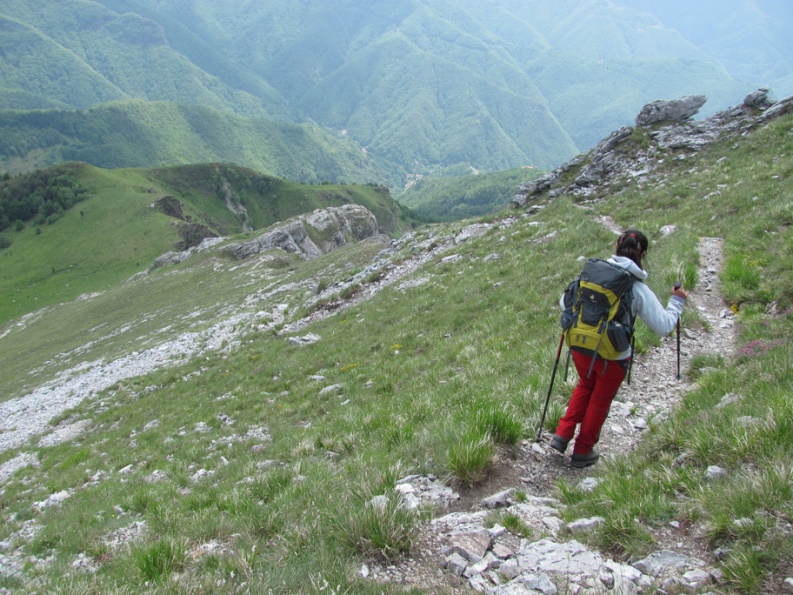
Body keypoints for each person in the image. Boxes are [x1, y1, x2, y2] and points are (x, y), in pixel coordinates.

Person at [550, 229, 688, 468]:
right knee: (600, 399)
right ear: (643, 253)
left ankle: (562, 434)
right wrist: (676, 302)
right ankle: (582, 451)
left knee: (585, 384)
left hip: (580, 346)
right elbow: (664, 326)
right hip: (612, 356)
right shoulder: (636, 288)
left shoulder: (592, 273)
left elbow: (564, 302)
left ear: (616, 245)